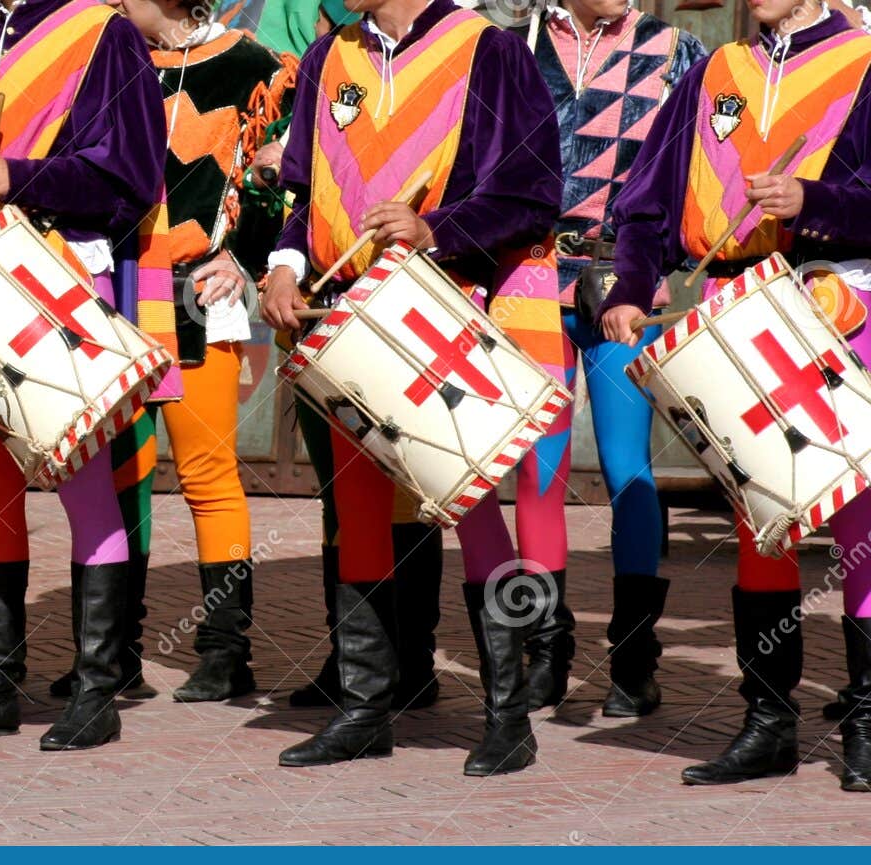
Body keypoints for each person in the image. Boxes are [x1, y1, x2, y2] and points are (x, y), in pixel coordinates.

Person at [261, 0, 563, 775]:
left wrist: (439, 229)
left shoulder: (488, 50)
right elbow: (303, 200)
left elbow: (532, 193)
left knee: (468, 502)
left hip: (441, 308)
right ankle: (366, 709)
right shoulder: (331, 57)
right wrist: (286, 266)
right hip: (346, 316)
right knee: (356, 509)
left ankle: (508, 717)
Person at [0, 0, 173, 750]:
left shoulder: (104, 33)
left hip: (62, 283)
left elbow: (133, 176)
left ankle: (97, 688)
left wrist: (16, 174)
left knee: (85, 486)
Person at [601, 0, 871, 791]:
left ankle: (865, 721)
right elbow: (647, 203)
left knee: (858, 516)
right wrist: (632, 285)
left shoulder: (863, 60)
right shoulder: (716, 71)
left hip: (836, 304)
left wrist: (814, 204)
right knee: (761, 517)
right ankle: (768, 724)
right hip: (733, 314)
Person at [82, 0, 297, 703]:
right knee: (121, 470)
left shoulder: (254, 66)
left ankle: (224, 653)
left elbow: (285, 180)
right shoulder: (106, 58)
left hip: (196, 291)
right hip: (111, 288)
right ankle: (112, 653)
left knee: (207, 472)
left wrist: (245, 254)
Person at [520, 0, 703, 714]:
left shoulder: (677, 51)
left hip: (626, 285)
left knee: (630, 471)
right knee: (539, 467)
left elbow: (697, 166)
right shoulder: (515, 46)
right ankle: (546, 649)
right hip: (530, 281)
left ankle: (633, 658)